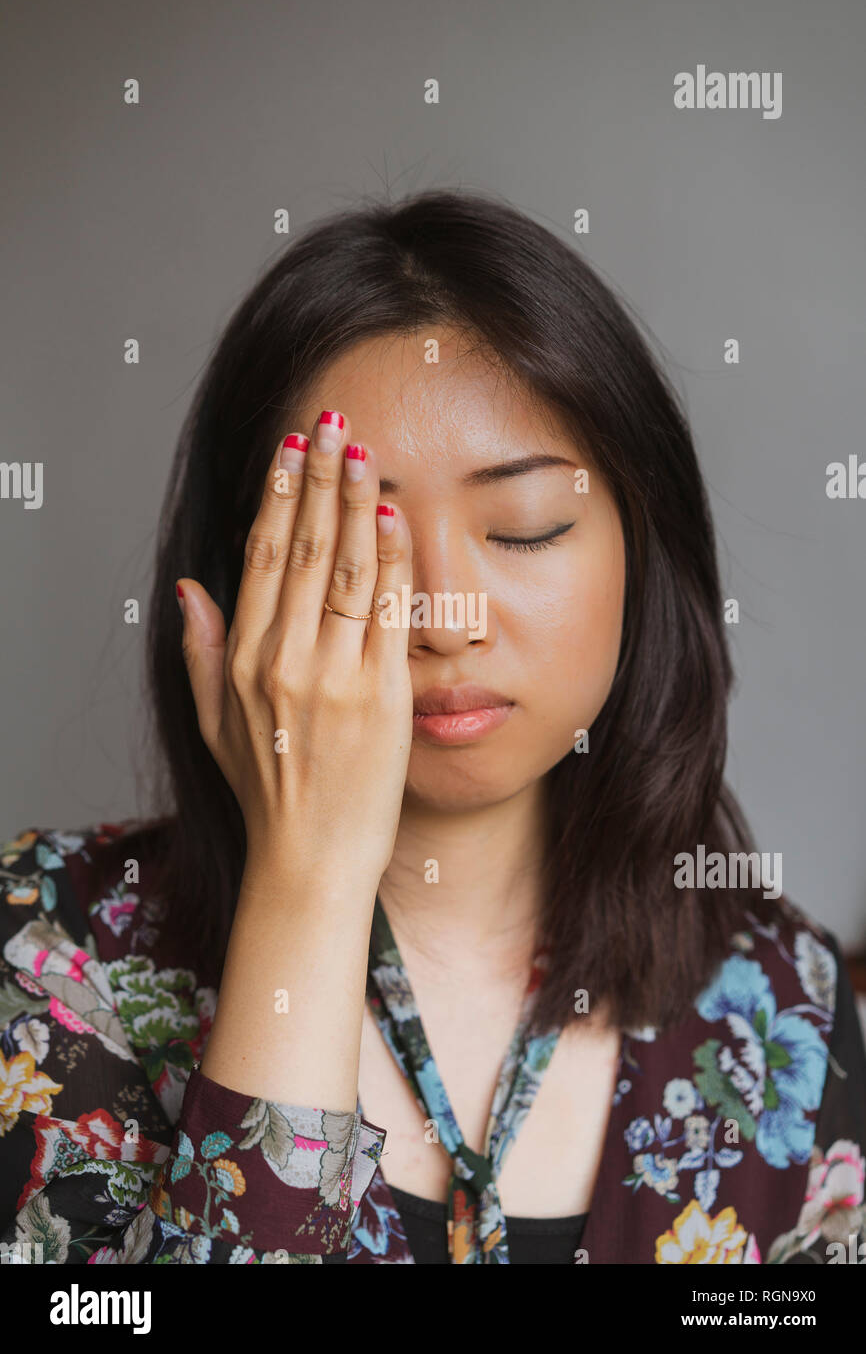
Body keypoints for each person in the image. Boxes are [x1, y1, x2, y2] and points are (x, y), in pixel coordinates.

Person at [1, 190, 864, 1266]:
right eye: (366, 544)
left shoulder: (788, 1001)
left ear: (642, 552)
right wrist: (307, 879)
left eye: (525, 528)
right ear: (244, 576)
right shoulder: (49, 951)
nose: (446, 619)